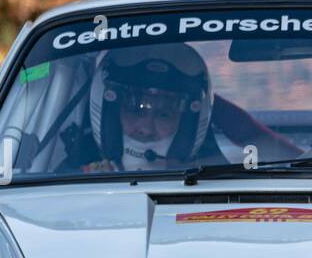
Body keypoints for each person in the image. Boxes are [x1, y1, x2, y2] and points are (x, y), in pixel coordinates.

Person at [61, 42, 216, 172]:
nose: (146, 129)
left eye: (164, 114)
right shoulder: (67, 182)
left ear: (187, 122)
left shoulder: (219, 179)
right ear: (111, 114)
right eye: (136, 111)